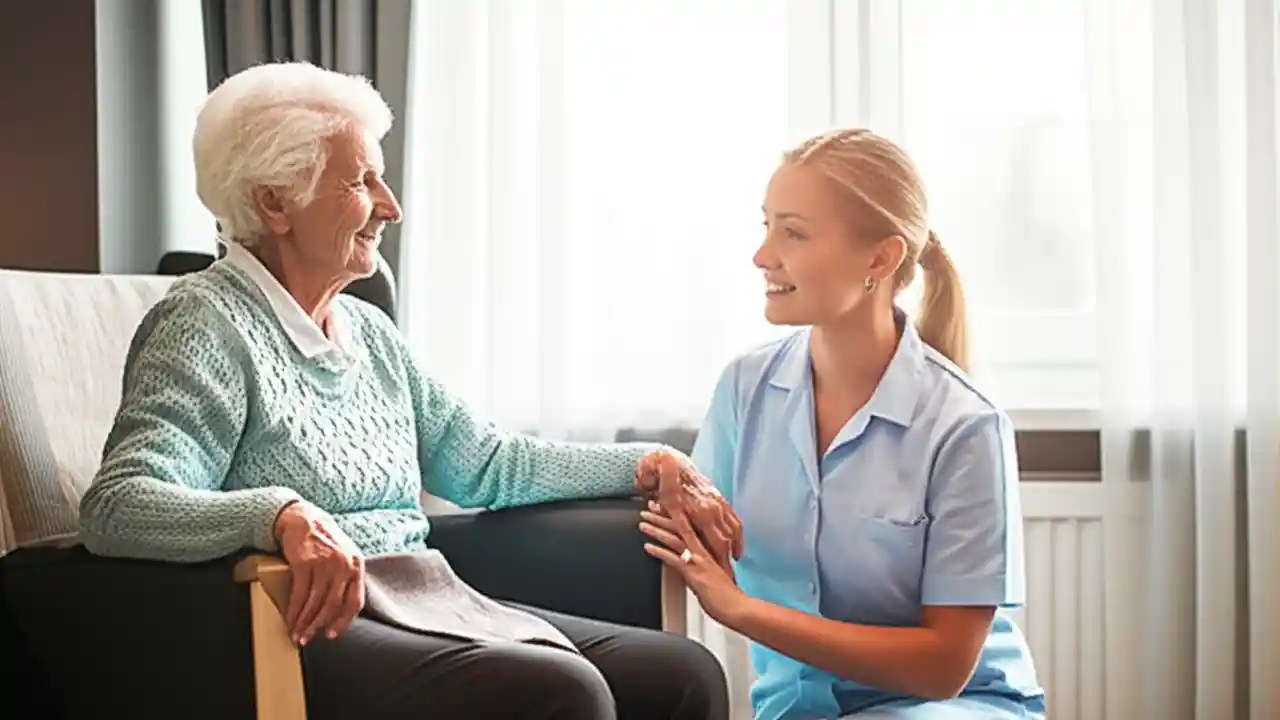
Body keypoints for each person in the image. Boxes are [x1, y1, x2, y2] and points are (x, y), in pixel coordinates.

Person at [77, 61, 733, 720]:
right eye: (362, 181)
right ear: (275, 201)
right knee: (564, 692)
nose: (391, 206)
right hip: (305, 625)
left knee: (681, 676)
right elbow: (119, 504)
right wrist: (279, 515)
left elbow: (484, 464)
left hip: (422, 596)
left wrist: (650, 463)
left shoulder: (367, 329)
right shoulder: (206, 323)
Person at [641, 129, 1046, 719]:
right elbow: (688, 521)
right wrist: (659, 468)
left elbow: (943, 667)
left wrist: (742, 610)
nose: (763, 256)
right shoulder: (742, 392)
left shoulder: (965, 426)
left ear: (880, 259)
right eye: (767, 226)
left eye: (794, 232)